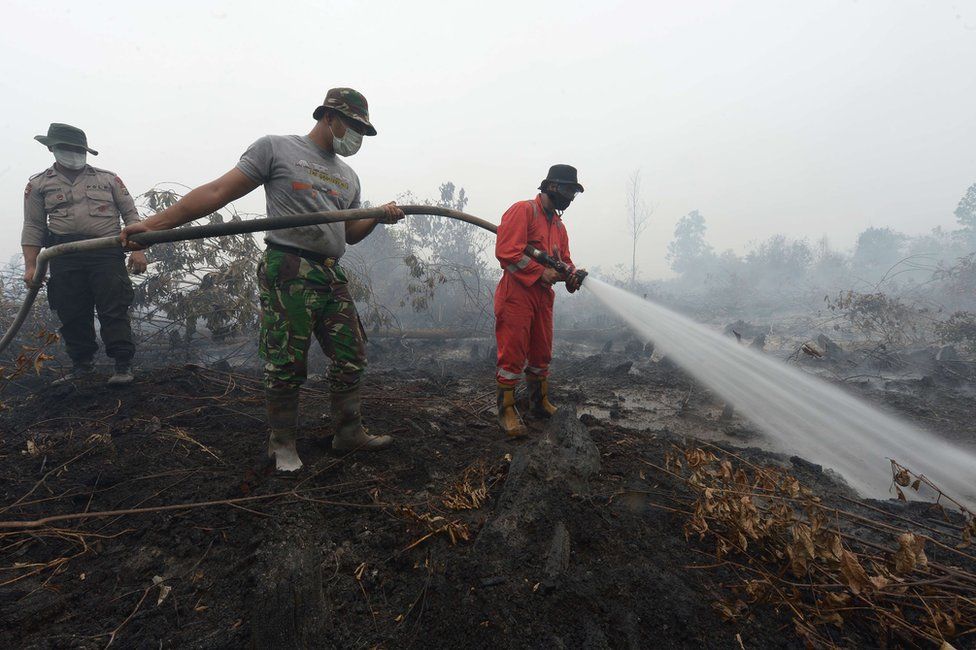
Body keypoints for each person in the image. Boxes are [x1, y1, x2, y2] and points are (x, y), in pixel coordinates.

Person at [121, 88, 403, 472]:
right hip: (289, 266)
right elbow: (217, 191)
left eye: (362, 130)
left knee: (351, 355)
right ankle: (282, 443)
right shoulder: (276, 149)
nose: (355, 136)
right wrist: (151, 227)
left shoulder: (348, 177)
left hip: (329, 271)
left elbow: (349, 232)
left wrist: (376, 217)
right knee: (286, 361)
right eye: (352, 125)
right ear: (328, 117)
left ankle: (348, 432)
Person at [22, 123, 147, 386]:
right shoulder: (39, 184)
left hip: (106, 251)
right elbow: (33, 226)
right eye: (67, 148)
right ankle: (82, 366)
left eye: (78, 149)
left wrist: (139, 251)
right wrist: (31, 266)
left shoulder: (108, 179)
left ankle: (122, 365)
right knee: (72, 311)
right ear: (52, 149)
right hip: (63, 254)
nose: (73, 153)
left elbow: (131, 215)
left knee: (114, 307)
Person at [493, 165, 586, 437]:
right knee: (512, 353)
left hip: (543, 297)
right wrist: (540, 272)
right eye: (567, 189)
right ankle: (507, 410)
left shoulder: (559, 225)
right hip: (517, 295)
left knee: (541, 352)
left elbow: (564, 260)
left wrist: (571, 275)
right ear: (550, 187)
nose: (569, 196)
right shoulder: (523, 211)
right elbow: (506, 252)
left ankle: (539, 403)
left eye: (573, 191)